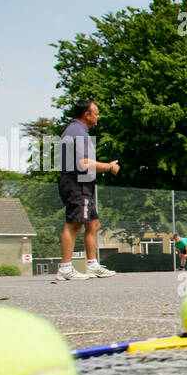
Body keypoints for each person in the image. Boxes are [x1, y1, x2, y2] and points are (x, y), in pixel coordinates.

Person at [56, 99, 118, 280]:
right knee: (74, 224)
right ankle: (65, 268)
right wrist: (109, 167)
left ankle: (92, 265)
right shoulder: (78, 132)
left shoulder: (77, 131)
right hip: (77, 183)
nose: (98, 116)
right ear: (86, 114)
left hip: (83, 183)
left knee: (93, 224)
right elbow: (84, 163)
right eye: (96, 113)